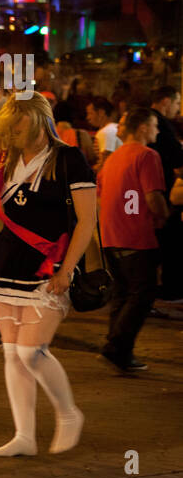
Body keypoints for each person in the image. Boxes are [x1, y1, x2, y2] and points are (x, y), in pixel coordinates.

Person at [0, 93, 97, 457]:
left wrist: (68, 268)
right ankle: (24, 437)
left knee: (32, 351)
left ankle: (69, 413)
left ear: (39, 121)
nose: (11, 131)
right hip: (5, 265)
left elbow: (87, 221)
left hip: (50, 265)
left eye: (18, 124)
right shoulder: (2, 162)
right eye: (9, 126)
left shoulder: (68, 159)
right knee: (12, 352)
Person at [97, 108, 168, 372]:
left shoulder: (112, 160)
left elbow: (102, 197)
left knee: (122, 294)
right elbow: (152, 197)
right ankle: (116, 347)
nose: (158, 131)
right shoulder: (148, 156)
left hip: (110, 236)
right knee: (142, 294)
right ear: (142, 128)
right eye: (154, 125)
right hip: (136, 237)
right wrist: (164, 215)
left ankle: (119, 351)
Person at [148, 85, 183, 303]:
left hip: (148, 194)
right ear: (166, 101)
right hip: (158, 195)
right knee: (170, 242)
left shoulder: (150, 120)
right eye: (178, 103)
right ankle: (171, 289)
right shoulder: (161, 124)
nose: (178, 108)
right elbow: (180, 163)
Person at [86, 97, 120, 171]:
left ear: (101, 112)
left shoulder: (106, 132)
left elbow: (106, 161)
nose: (88, 117)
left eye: (90, 113)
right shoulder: (114, 128)